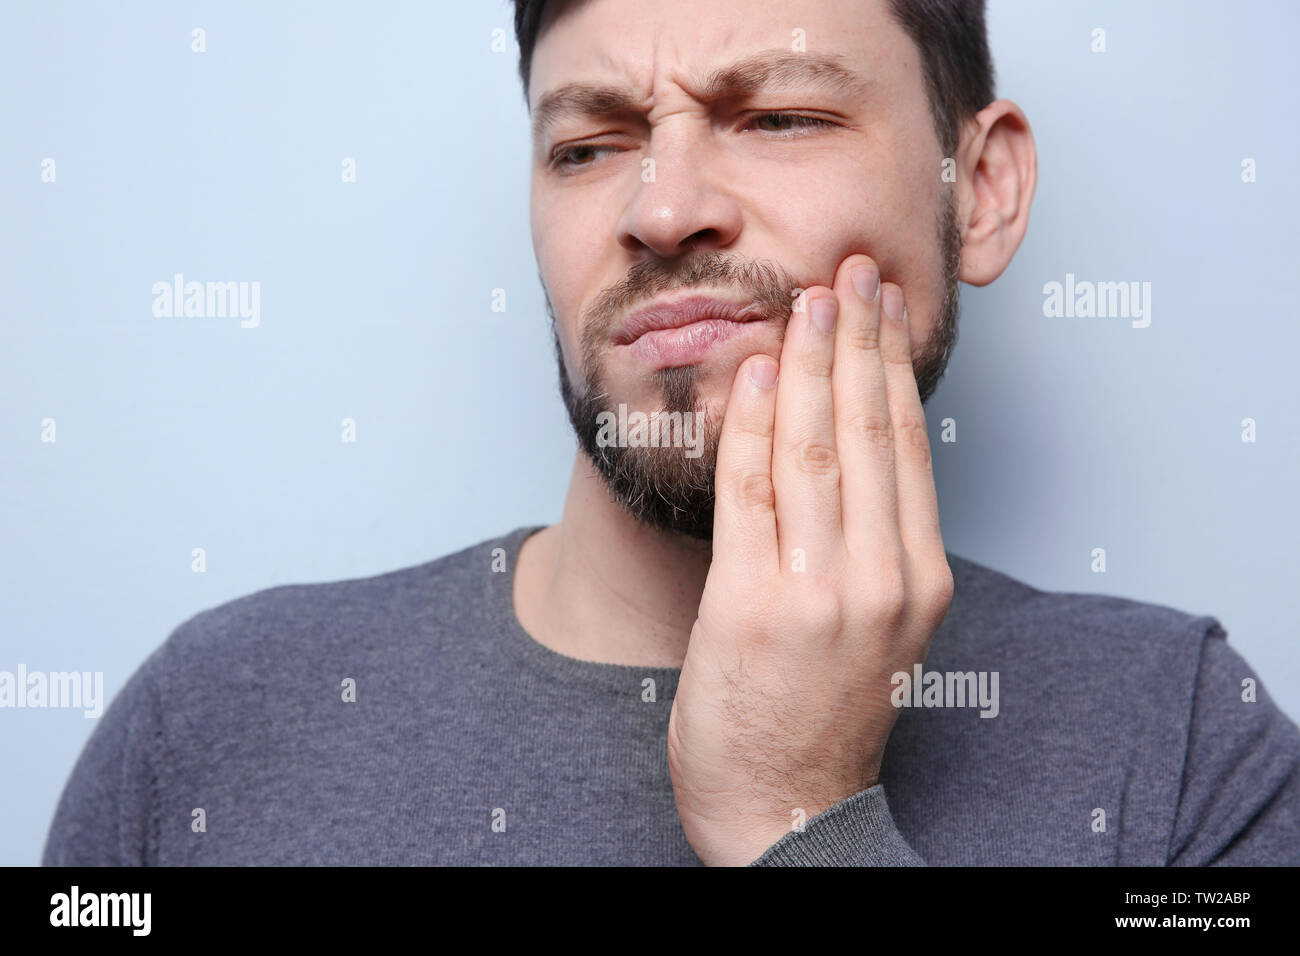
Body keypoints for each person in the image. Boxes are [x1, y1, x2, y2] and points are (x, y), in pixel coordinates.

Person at [42, 0, 1300, 866]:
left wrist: (799, 821)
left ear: (977, 191)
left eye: (779, 117)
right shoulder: (210, 725)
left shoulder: (1183, 744)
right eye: (590, 145)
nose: (663, 208)